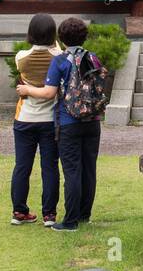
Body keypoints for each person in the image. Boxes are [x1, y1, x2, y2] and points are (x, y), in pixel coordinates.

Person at [17, 17, 105, 232]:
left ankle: (70, 220)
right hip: (92, 121)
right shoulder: (93, 58)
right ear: (85, 37)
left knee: (72, 171)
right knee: (88, 169)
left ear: (61, 38)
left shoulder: (60, 61)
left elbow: (49, 93)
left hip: (69, 121)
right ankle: (85, 214)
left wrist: (27, 90)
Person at [8, 13, 63, 226]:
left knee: (22, 166)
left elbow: (23, 80)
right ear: (53, 34)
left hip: (24, 118)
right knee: (50, 166)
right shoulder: (59, 56)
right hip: (50, 119)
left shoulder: (21, 57)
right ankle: (49, 214)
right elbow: (57, 49)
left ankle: (19, 212)